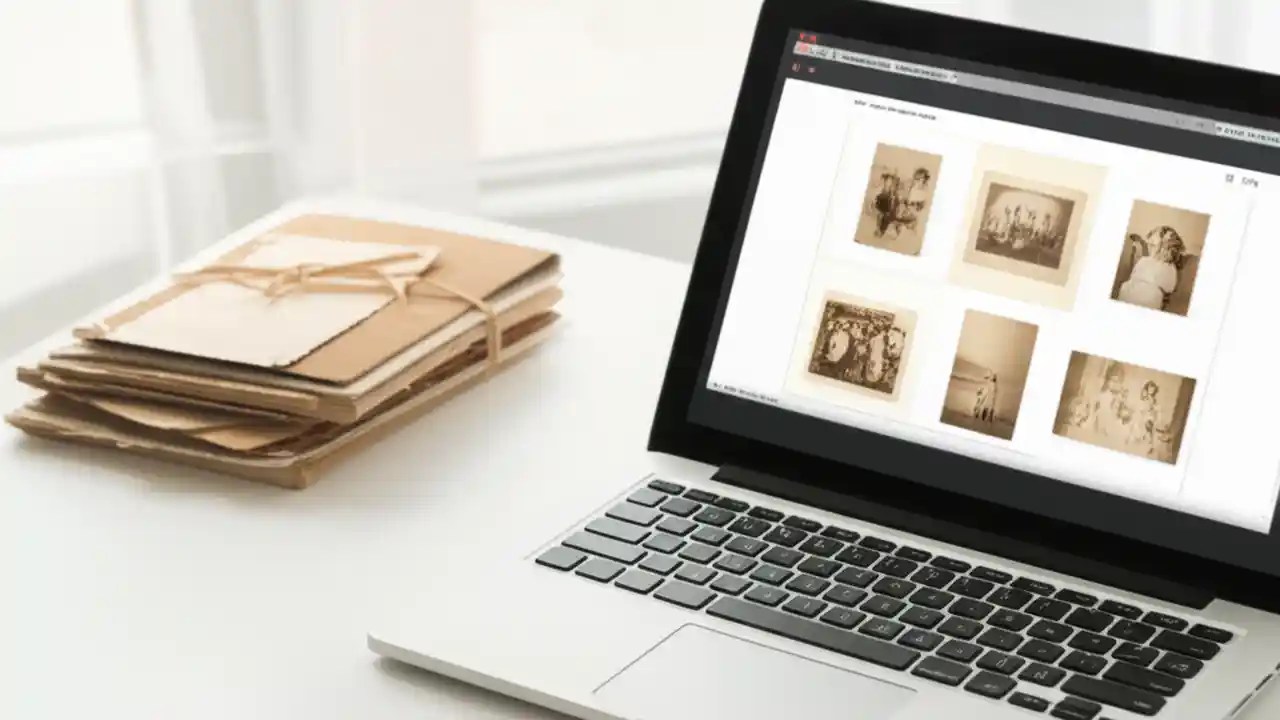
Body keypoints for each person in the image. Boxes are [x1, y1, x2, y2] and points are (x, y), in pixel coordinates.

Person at [1118, 227, 1185, 311]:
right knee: (1125, 287)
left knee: (1152, 294)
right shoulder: (1144, 260)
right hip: (1130, 291)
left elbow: (1169, 288)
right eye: (1149, 245)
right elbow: (1133, 276)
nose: (1150, 249)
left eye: (1153, 246)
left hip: (1150, 297)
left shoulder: (1170, 267)